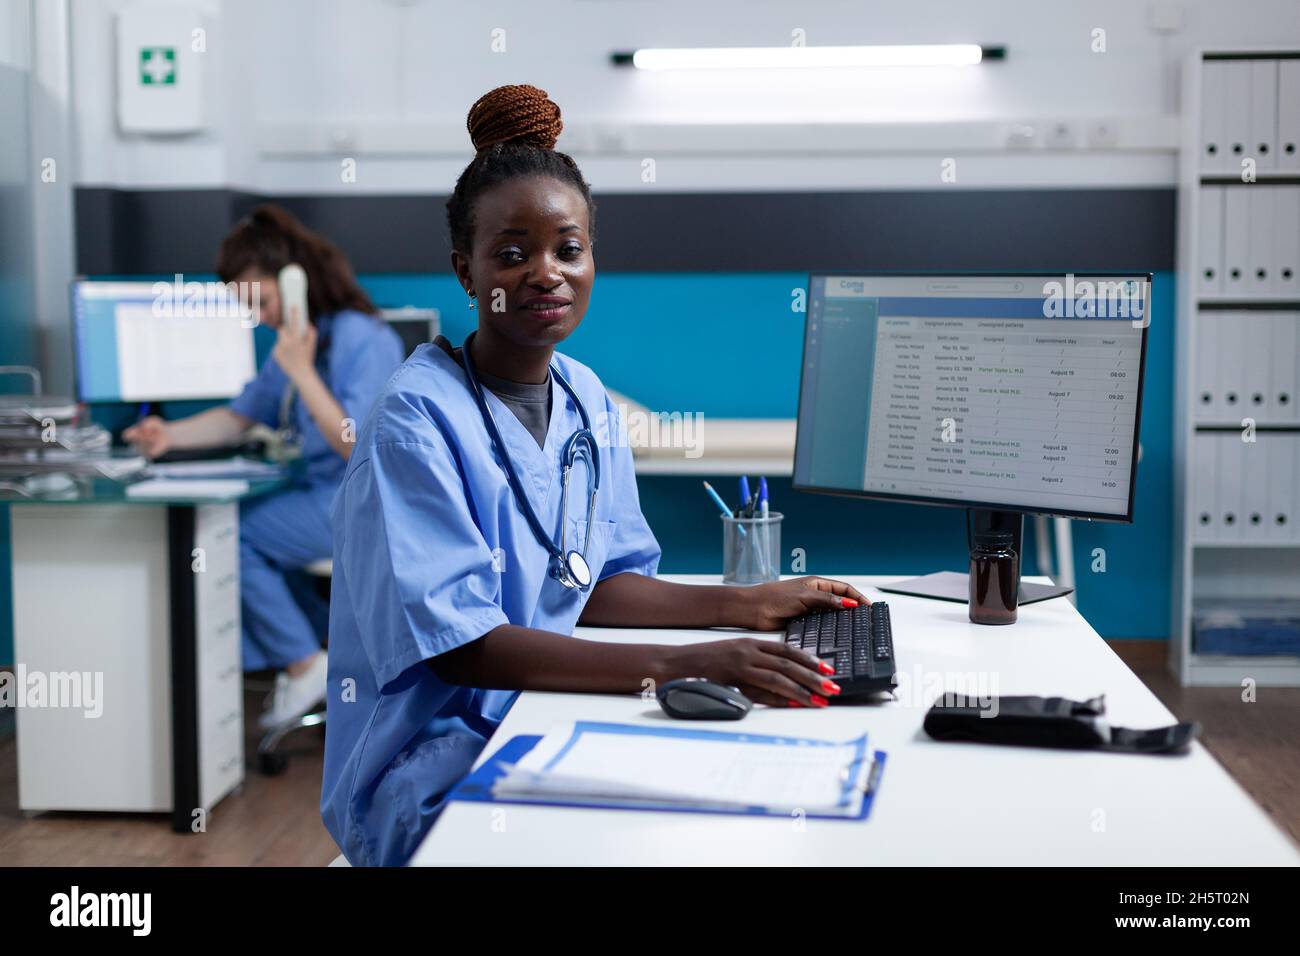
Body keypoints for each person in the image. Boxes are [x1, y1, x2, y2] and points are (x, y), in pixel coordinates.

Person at [321, 85, 867, 866]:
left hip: (546, 714)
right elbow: (461, 649)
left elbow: (591, 584)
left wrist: (745, 604)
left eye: (567, 249)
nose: (546, 273)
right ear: (467, 272)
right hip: (435, 764)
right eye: (512, 253)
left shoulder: (585, 396)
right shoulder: (414, 421)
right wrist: (687, 663)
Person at [125, 205, 405, 730]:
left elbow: (353, 443)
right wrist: (168, 437)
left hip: (365, 499)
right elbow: (238, 416)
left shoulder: (362, 338)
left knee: (231, 538)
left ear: (296, 280)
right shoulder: (298, 343)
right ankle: (322, 660)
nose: (261, 316)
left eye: (263, 300)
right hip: (325, 493)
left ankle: (303, 664)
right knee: (249, 535)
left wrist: (300, 369)